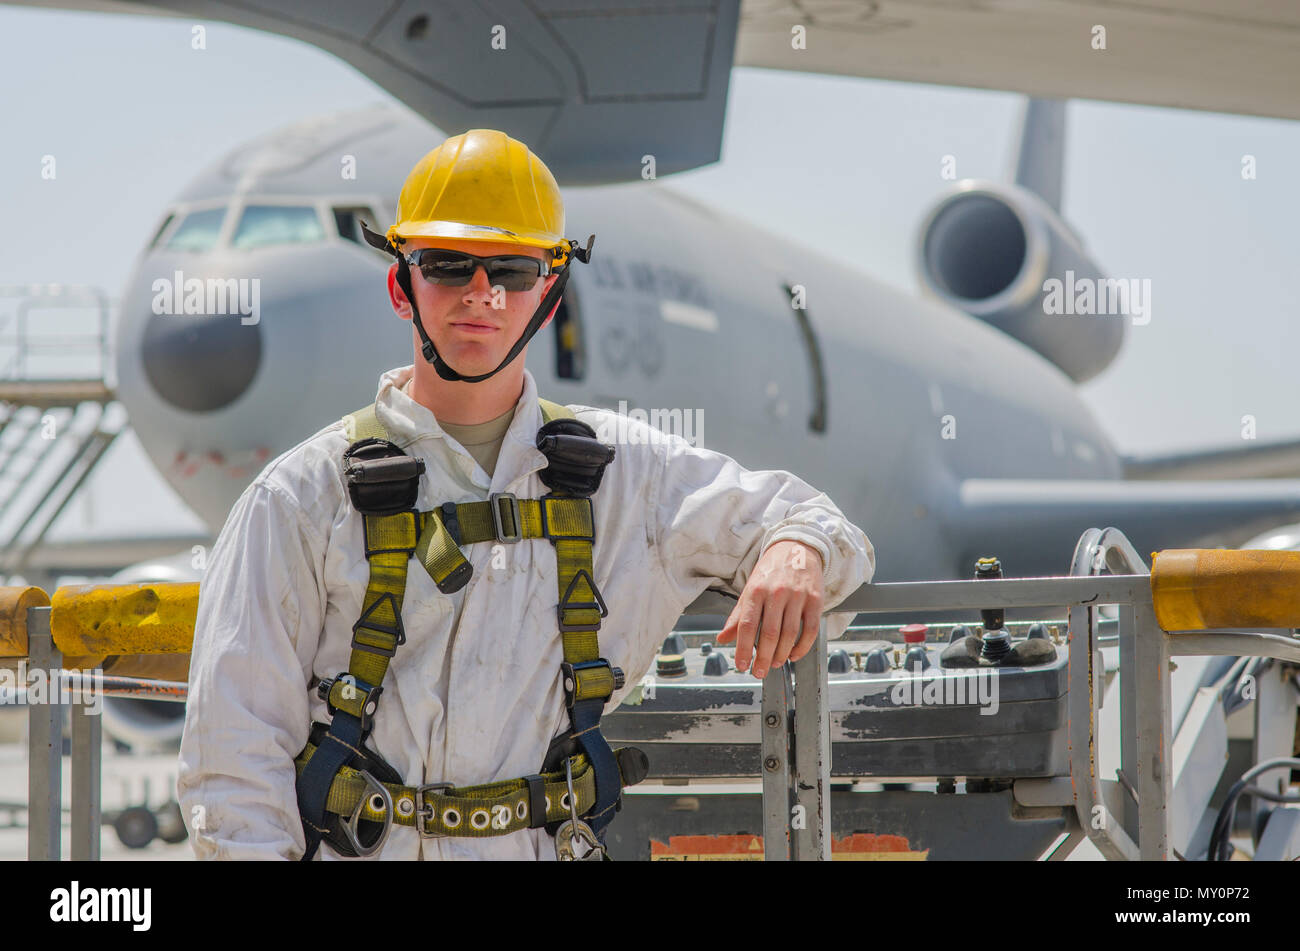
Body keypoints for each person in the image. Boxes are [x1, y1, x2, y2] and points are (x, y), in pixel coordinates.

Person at [177, 129, 875, 860]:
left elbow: (819, 524)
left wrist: (798, 549)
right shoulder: (300, 497)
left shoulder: (626, 477)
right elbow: (233, 760)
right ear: (400, 286)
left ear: (549, 294)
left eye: (511, 268)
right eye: (448, 266)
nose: (482, 293)